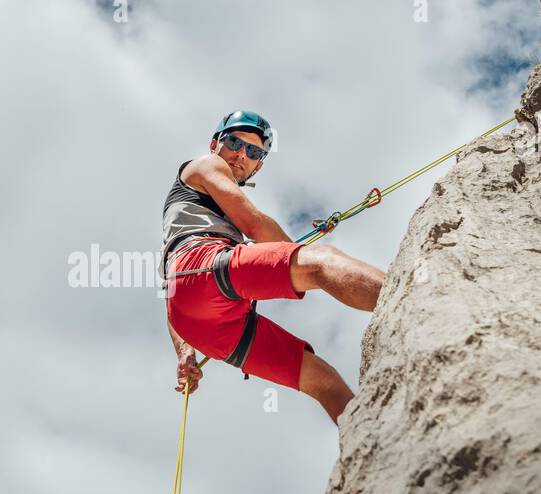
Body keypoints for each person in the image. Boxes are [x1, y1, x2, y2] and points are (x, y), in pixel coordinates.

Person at [160, 110, 386, 423]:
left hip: (198, 317)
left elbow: (176, 288)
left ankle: (369, 440)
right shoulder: (206, 164)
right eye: (233, 143)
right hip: (205, 268)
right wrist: (299, 253)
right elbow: (253, 224)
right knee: (321, 262)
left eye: (253, 152)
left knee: (322, 379)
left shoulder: (196, 215)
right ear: (215, 144)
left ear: (259, 164)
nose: (241, 154)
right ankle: (416, 302)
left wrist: (185, 352)